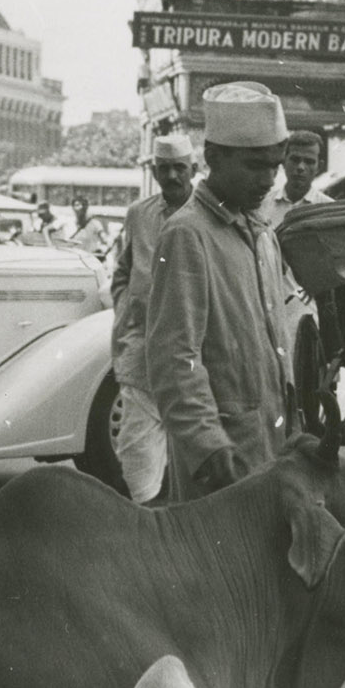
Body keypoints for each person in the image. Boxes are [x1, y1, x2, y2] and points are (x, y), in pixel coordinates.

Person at [146, 81, 293, 497]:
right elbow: (174, 357)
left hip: (268, 452)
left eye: (275, 165)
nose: (268, 179)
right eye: (255, 166)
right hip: (220, 466)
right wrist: (207, 446)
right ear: (212, 158)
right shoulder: (187, 235)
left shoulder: (262, 234)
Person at [107, 128, 199, 502]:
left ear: (193, 168)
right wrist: (129, 312)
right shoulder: (139, 215)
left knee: (192, 455)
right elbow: (122, 273)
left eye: (179, 168)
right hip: (143, 351)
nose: (173, 176)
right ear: (155, 170)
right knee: (138, 457)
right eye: (165, 169)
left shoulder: (207, 215)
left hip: (196, 354)